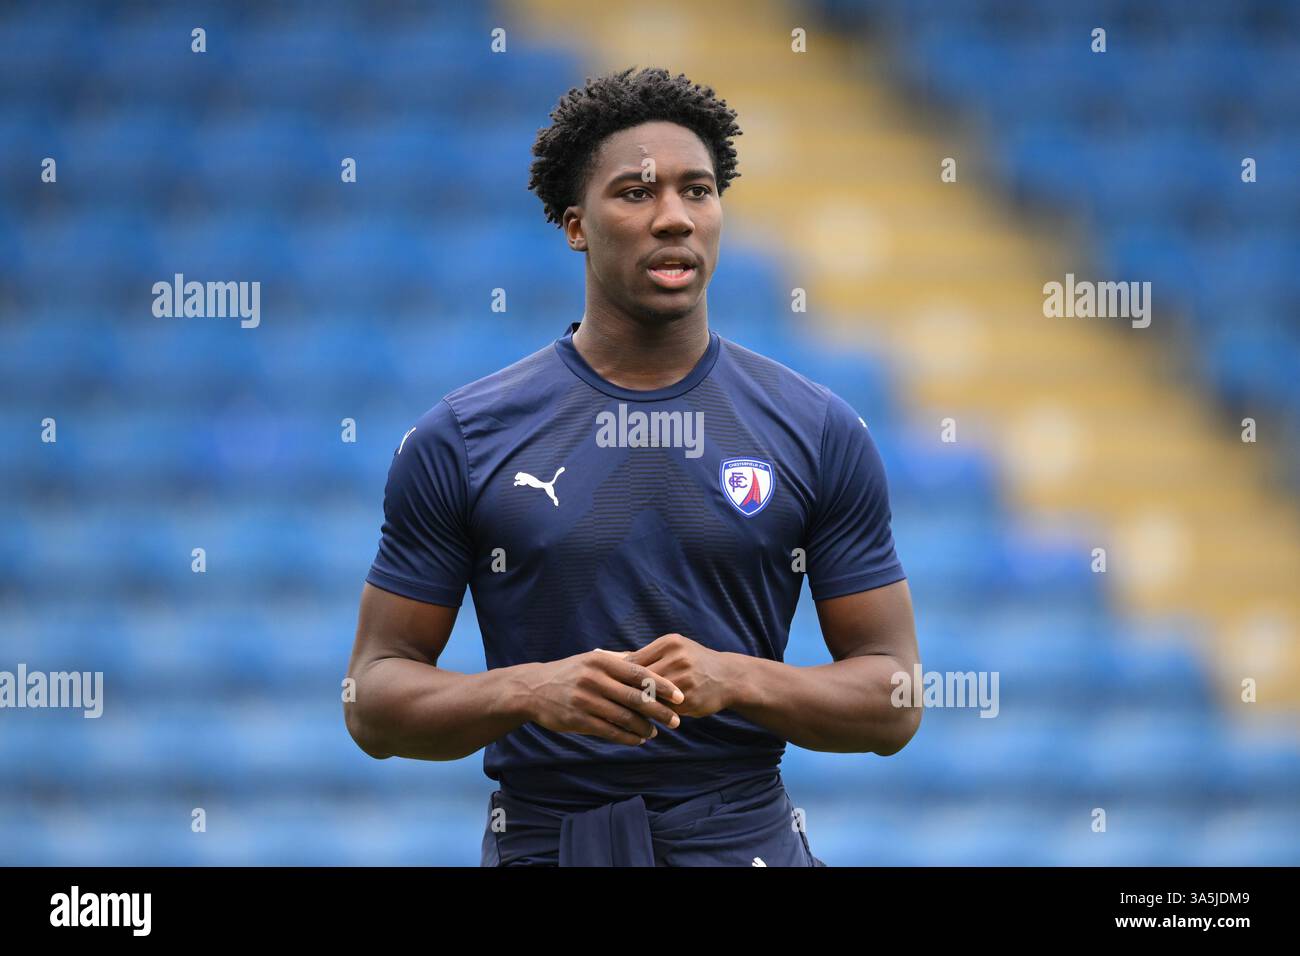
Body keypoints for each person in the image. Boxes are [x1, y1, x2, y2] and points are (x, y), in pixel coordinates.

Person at [344, 66, 921, 866]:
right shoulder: (463, 438)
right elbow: (373, 700)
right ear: (576, 226)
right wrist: (530, 690)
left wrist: (737, 678)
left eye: (698, 191)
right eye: (637, 193)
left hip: (741, 842)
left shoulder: (818, 430)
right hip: (548, 845)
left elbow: (894, 698)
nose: (674, 217)